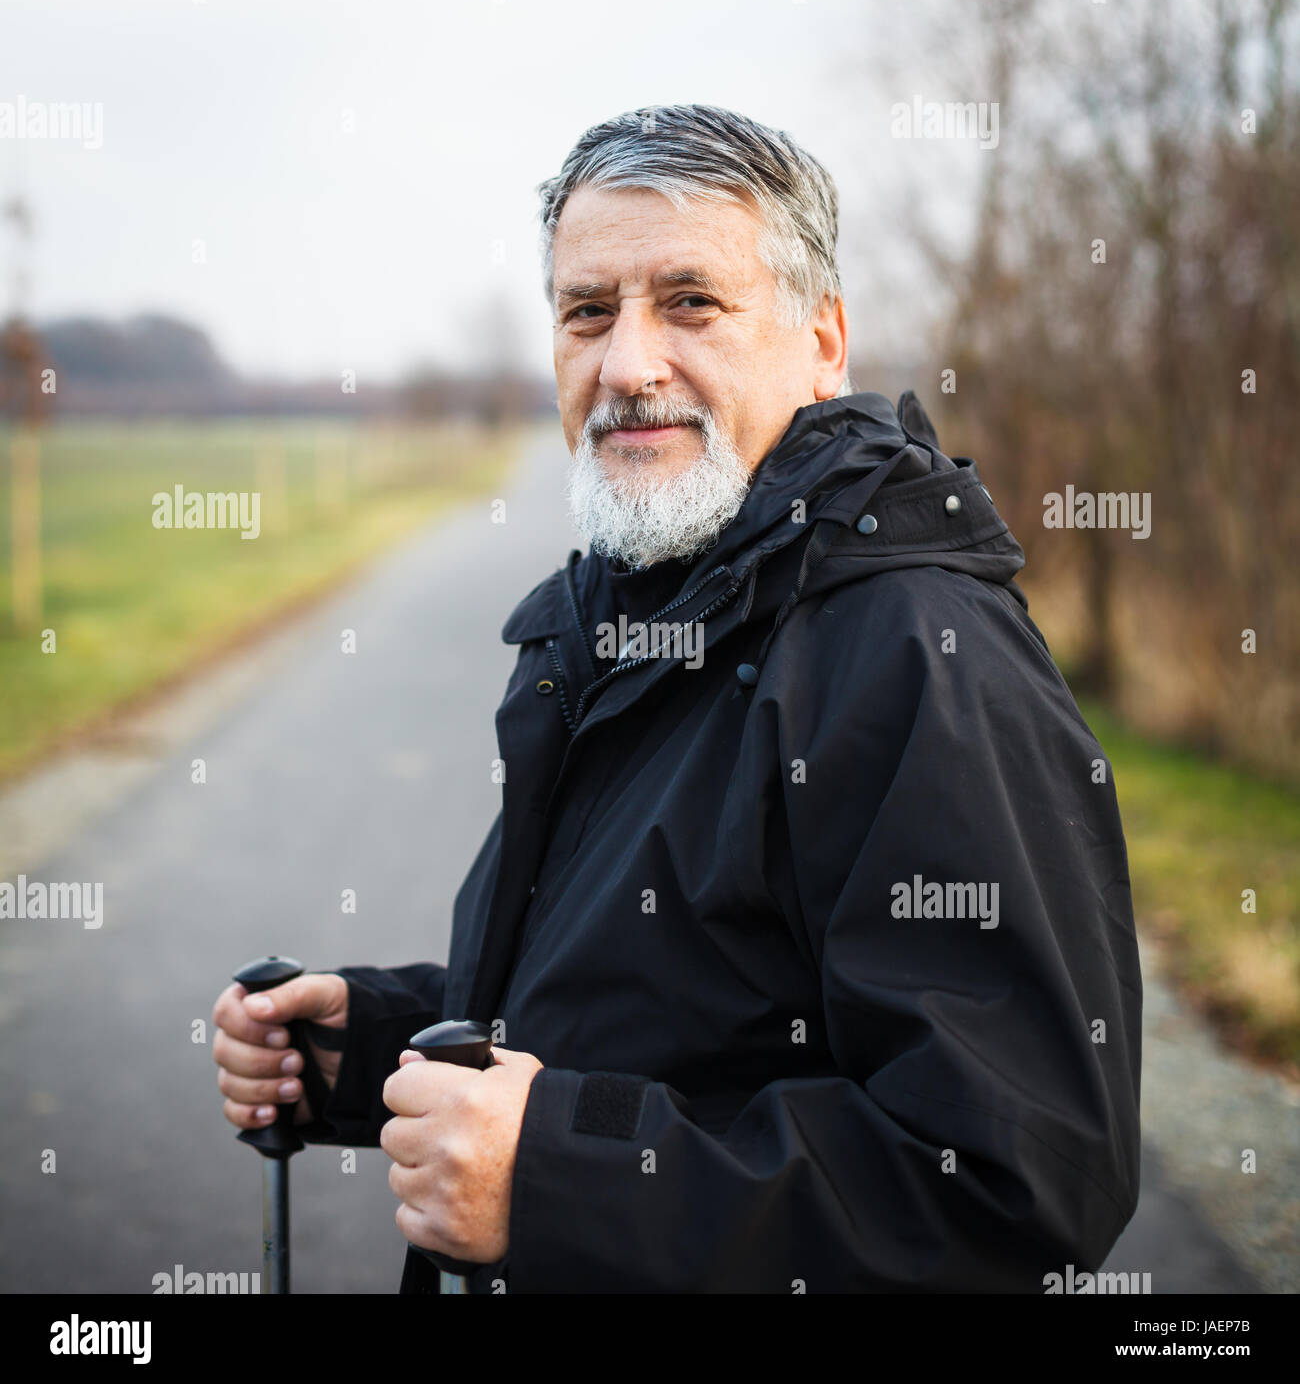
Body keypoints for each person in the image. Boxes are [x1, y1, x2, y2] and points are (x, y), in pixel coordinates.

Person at [211, 104, 1142, 1293]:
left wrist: (554, 1175)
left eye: (690, 301)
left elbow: (1013, 1190)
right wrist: (375, 1045)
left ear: (823, 342)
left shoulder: (917, 653)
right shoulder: (620, 611)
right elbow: (667, 999)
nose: (628, 363)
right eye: (587, 311)